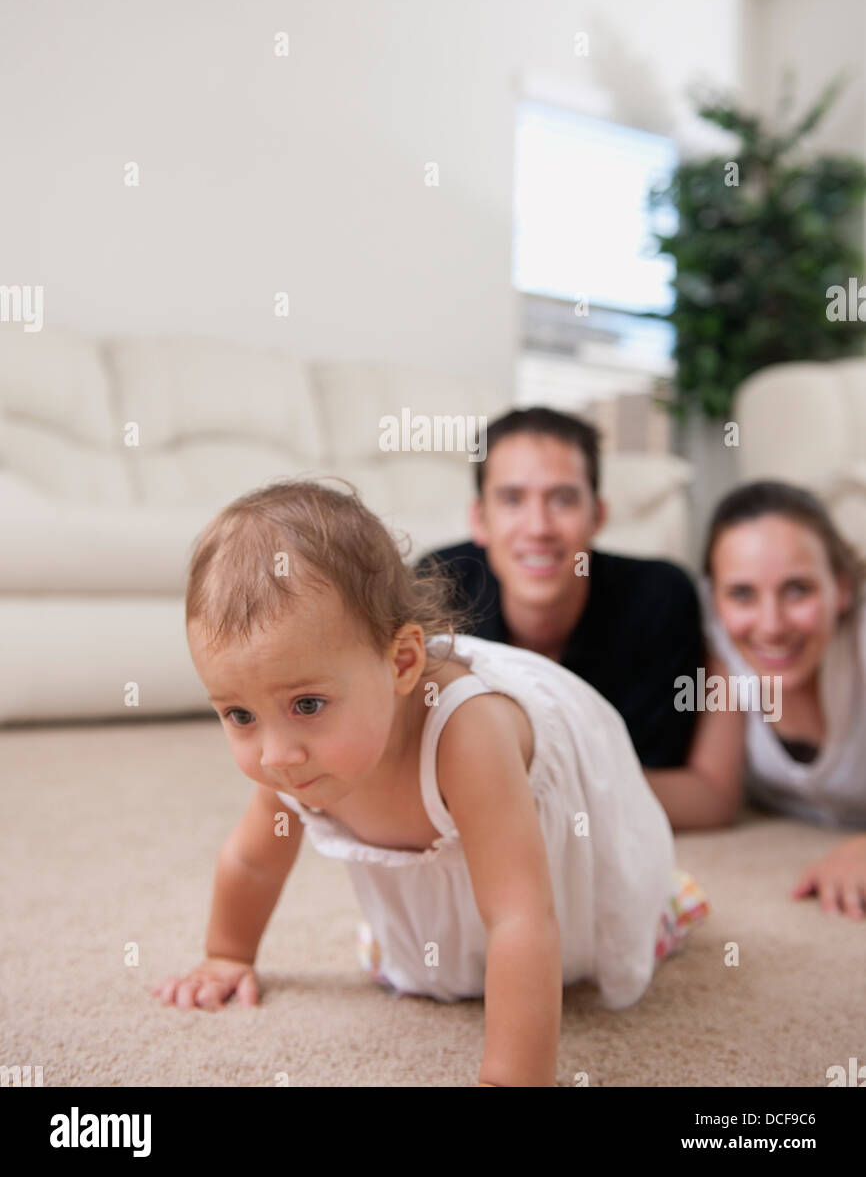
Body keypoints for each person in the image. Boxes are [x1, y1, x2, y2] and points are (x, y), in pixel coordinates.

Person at [151, 478, 707, 1087]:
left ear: (402, 664)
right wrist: (227, 953)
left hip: (547, 871)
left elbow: (521, 915)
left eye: (307, 705)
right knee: (426, 959)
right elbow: (253, 862)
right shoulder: (293, 751)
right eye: (238, 715)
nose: (277, 754)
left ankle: (665, 898)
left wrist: (511, 1079)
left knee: (582, 923)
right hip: (451, 877)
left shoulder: (468, 735)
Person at [417, 407, 703, 769]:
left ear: (597, 516)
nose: (538, 527)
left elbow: (653, 773)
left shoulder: (660, 599)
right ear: (480, 519)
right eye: (512, 499)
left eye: (563, 499)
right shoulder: (438, 587)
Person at [648, 479, 866, 920]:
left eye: (798, 589)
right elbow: (713, 795)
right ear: (715, 599)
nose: (771, 625)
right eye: (742, 594)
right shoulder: (720, 645)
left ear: (841, 588)